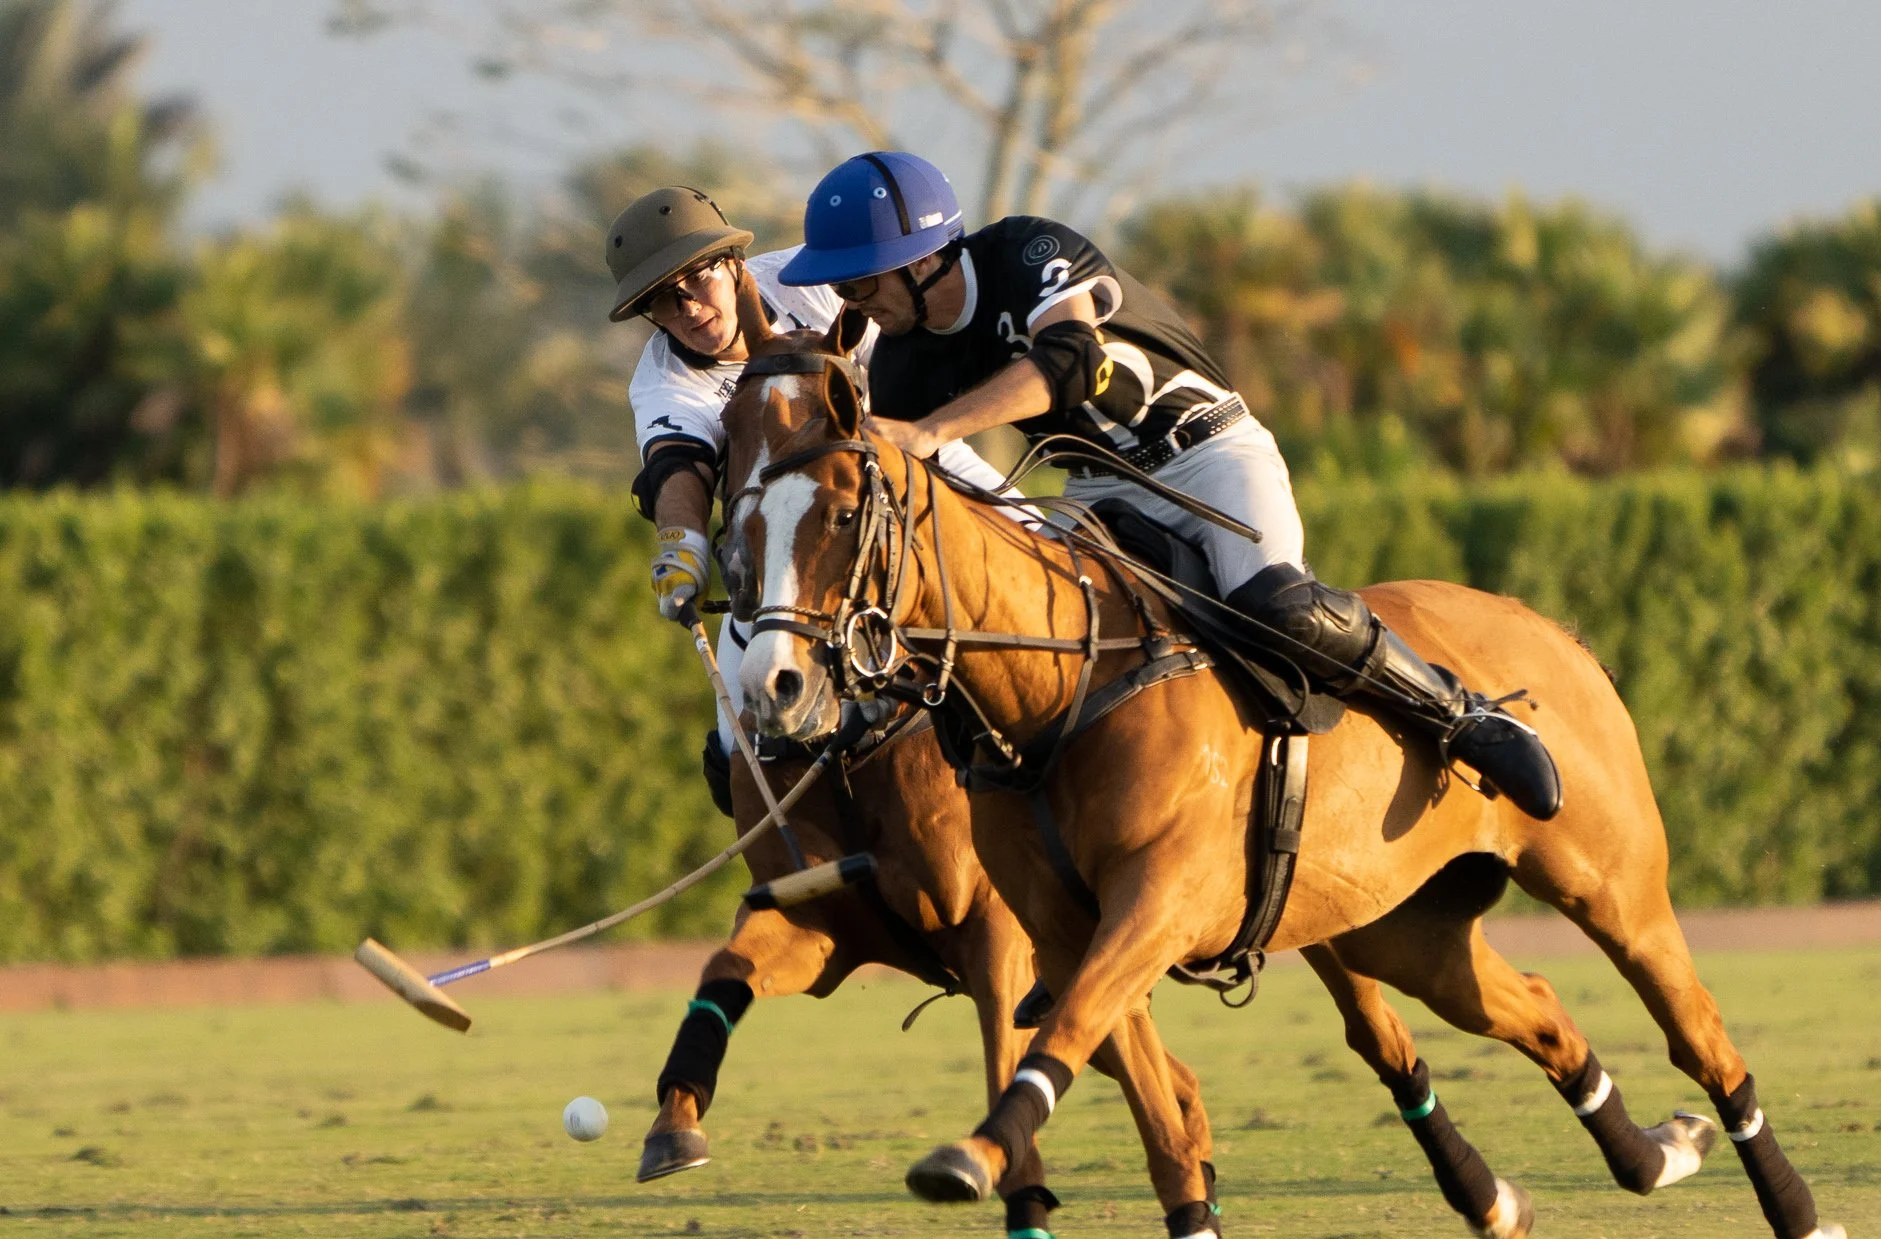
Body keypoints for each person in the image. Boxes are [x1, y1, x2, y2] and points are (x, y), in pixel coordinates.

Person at [776, 153, 1561, 820]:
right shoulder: (903, 364)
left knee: (1277, 605)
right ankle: (1066, 878)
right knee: (1033, 641)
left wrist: (930, 432)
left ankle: (1460, 716)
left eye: (860, 283)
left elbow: (1074, 359)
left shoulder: (1025, 250)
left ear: (921, 260)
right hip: (1099, 492)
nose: (853, 302)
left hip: (1208, 453)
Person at [602, 184, 1012, 786]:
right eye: (661, 302)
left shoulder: (810, 281)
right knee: (734, 742)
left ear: (733, 264)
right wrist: (683, 541)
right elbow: (676, 464)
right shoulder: (662, 382)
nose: (686, 307)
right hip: (794, 560)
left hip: (915, 465)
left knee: (1042, 543)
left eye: (696, 280)